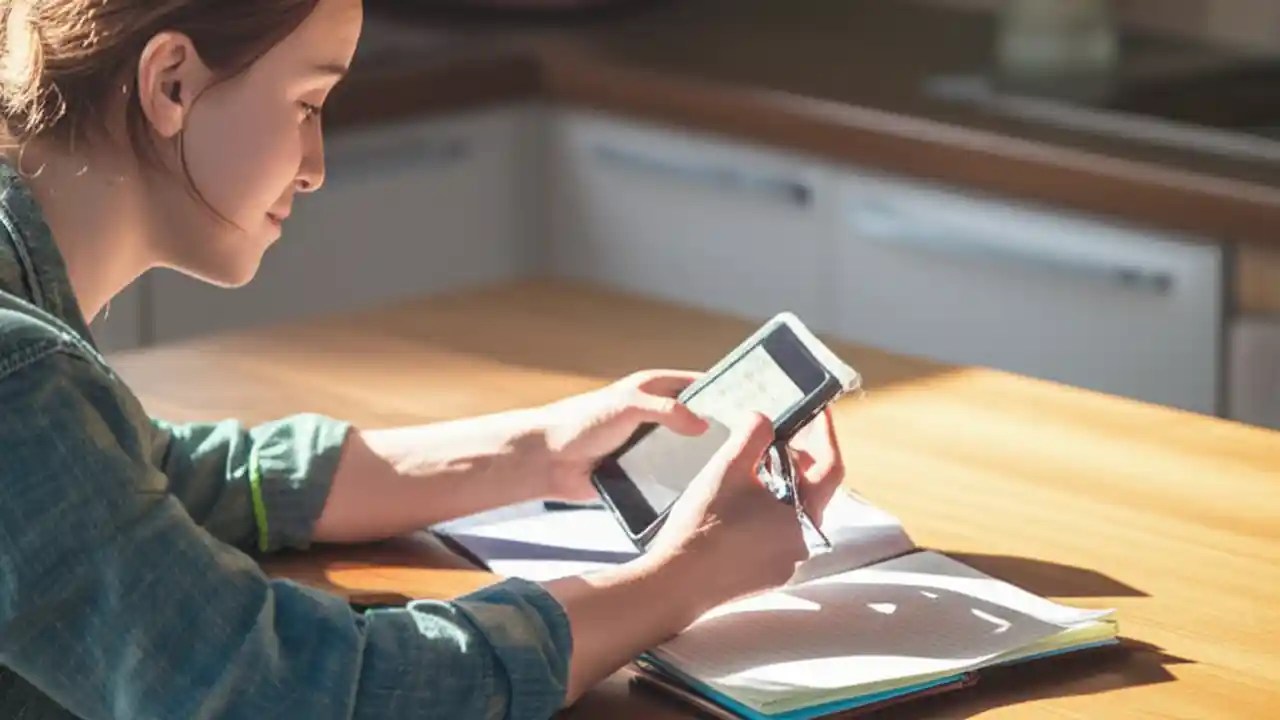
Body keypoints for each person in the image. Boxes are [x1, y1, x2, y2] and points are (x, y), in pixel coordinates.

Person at [0, 1, 847, 718]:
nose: (317, 168)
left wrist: (541, 451)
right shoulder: (18, 377)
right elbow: (285, 690)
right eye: (308, 103)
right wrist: (681, 579)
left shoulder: (35, 361)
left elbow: (147, 476)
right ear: (171, 83)